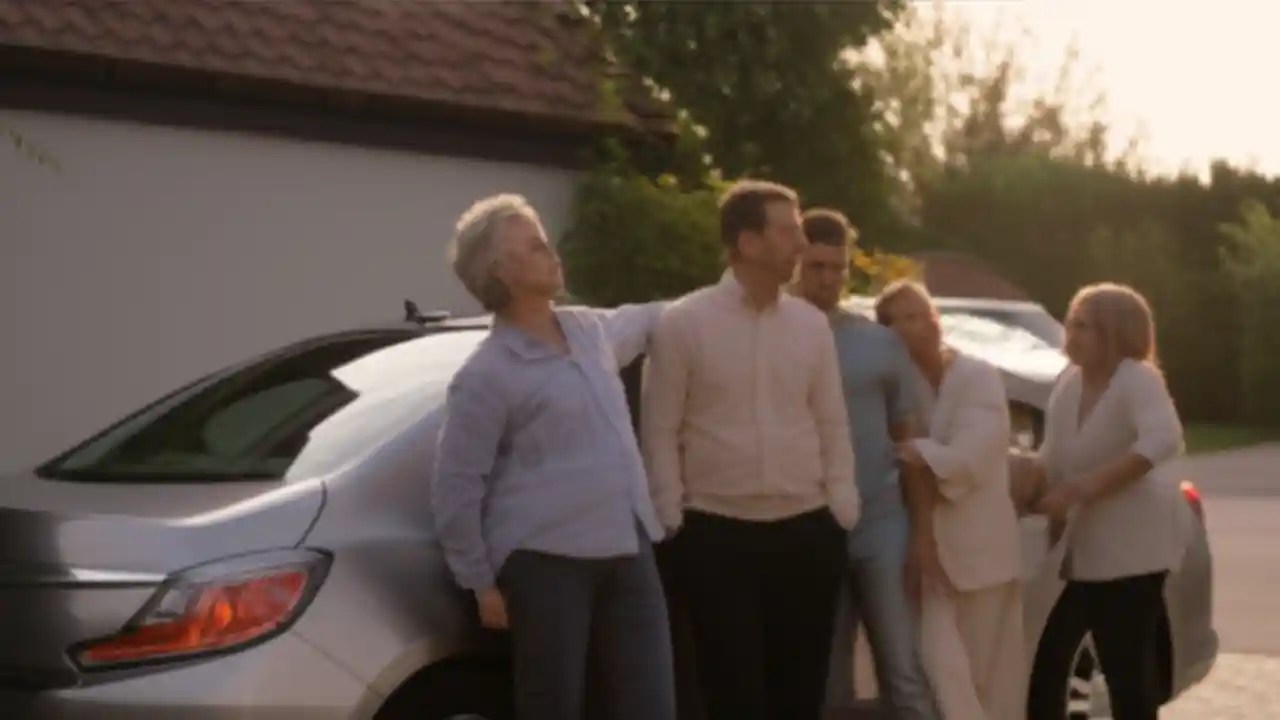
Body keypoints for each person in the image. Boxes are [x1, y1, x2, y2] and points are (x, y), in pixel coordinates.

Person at [431, 193, 676, 720]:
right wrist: (480, 584)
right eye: (535, 245)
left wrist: (724, 302)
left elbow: (657, 320)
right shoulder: (485, 375)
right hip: (545, 564)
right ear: (501, 270)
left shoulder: (589, 331)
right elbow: (456, 486)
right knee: (553, 707)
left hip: (628, 548)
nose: (551, 253)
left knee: (652, 706)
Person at [642, 180, 858, 720]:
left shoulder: (810, 326)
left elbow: (831, 421)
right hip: (717, 535)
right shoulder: (685, 323)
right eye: (788, 230)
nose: (801, 244)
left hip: (807, 530)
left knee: (800, 696)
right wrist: (672, 518)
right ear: (748, 242)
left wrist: (841, 509)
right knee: (734, 697)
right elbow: (660, 429)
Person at [792, 209, 940, 720]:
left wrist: (921, 534)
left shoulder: (879, 343)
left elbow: (909, 441)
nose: (830, 279)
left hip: (882, 522)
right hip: (810, 524)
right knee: (824, 685)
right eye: (817, 267)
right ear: (794, 263)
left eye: (838, 267)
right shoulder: (775, 338)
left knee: (902, 669)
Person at [1028, 282, 1185, 720]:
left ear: (1116, 333)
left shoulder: (1137, 379)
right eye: (1070, 322)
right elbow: (1052, 456)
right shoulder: (1069, 384)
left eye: (1085, 326)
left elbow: (1162, 440)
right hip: (1088, 550)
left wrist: (1081, 489)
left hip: (1136, 550)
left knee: (1125, 669)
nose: (1071, 334)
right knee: (1057, 651)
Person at [877, 280, 1025, 720]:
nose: (914, 326)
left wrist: (915, 453)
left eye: (920, 314)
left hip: (983, 551)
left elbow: (975, 454)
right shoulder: (894, 389)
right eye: (900, 319)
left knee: (988, 679)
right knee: (940, 670)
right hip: (924, 553)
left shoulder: (978, 376)